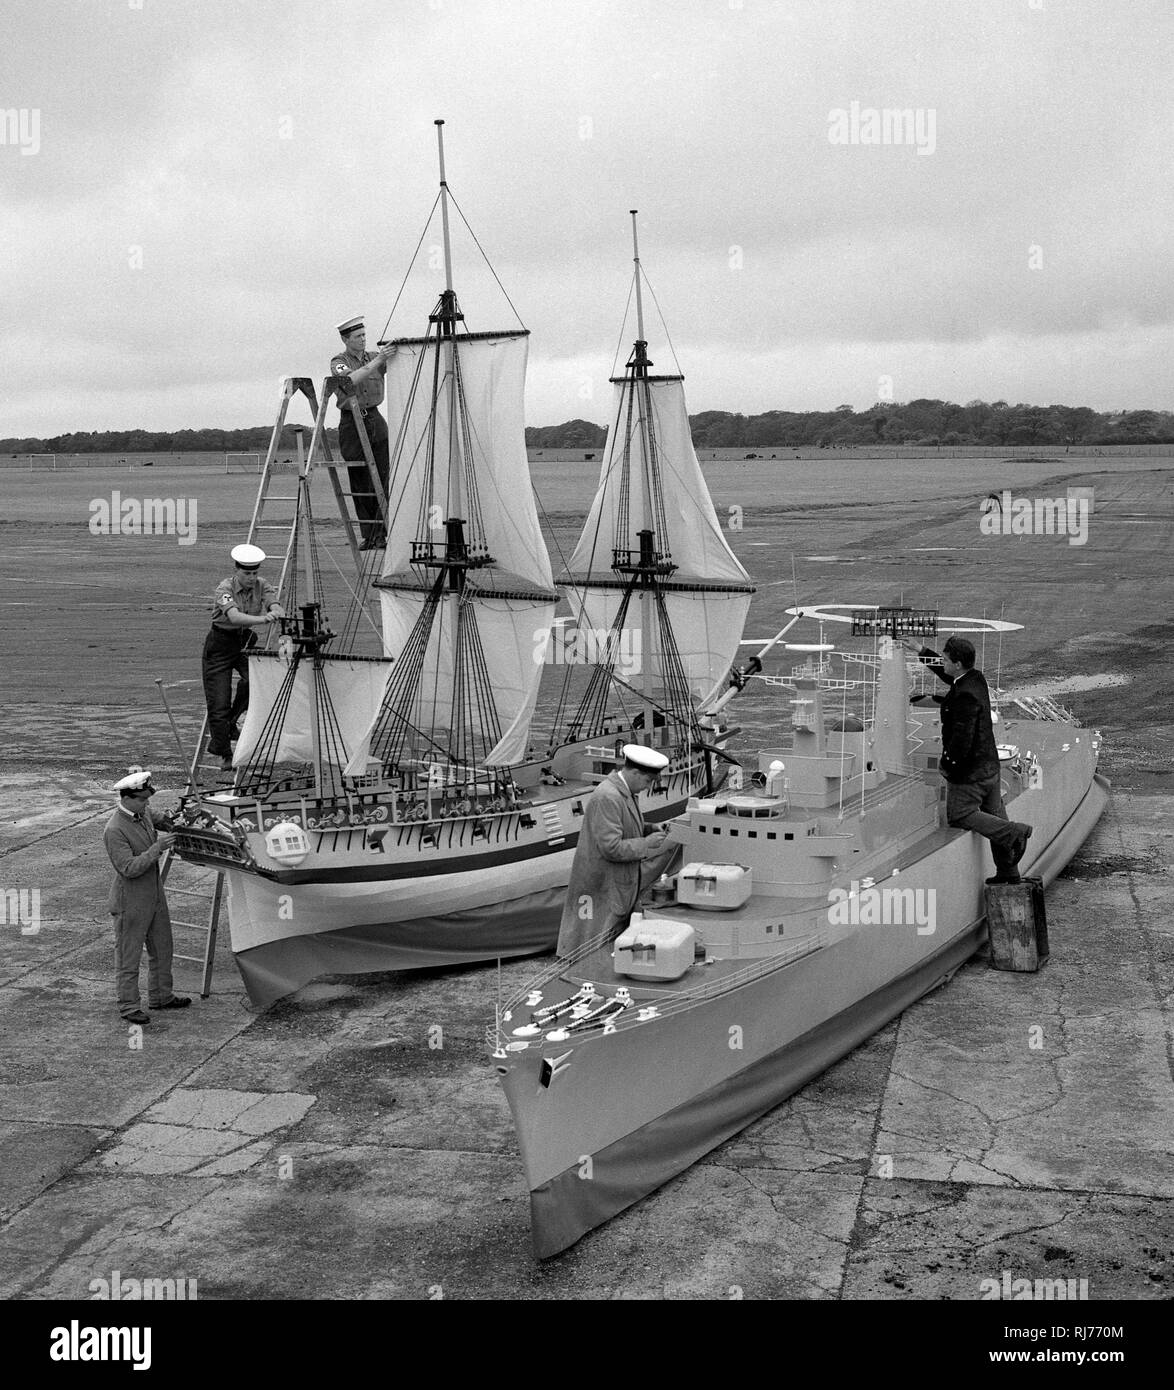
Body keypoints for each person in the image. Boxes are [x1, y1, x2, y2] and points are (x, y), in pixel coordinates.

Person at [902, 634, 1032, 883]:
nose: (943, 661)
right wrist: (920, 650)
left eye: (946, 658)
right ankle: (1008, 873)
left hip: (970, 773)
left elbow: (961, 740)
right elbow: (946, 673)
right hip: (990, 766)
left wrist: (948, 767)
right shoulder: (974, 678)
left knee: (960, 814)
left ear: (958, 663)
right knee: (994, 817)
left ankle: (1016, 833)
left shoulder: (963, 697)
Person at [556, 744, 681, 956]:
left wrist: (648, 828)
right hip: (603, 886)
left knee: (604, 941)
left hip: (615, 886)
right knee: (593, 944)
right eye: (648, 780)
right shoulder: (608, 796)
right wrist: (648, 842)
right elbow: (611, 848)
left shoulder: (624, 793)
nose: (647, 786)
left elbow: (622, 826)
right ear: (634, 772)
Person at [104, 770, 187, 1024]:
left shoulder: (143, 813)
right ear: (126, 798)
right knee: (129, 956)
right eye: (141, 799)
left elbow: (162, 819)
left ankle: (162, 996)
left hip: (153, 893)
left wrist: (180, 819)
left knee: (163, 948)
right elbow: (128, 868)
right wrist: (157, 849)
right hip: (130, 900)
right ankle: (129, 1006)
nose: (146, 803)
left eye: (147, 799)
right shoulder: (114, 829)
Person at [202, 544, 285, 771]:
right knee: (219, 701)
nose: (251, 578)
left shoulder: (262, 585)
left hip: (244, 641)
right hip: (220, 644)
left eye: (254, 573)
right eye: (247, 573)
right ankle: (223, 752)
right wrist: (264, 619)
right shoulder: (224, 588)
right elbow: (235, 616)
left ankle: (230, 724)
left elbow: (273, 602)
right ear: (237, 571)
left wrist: (277, 610)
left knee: (255, 681)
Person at [331, 315, 396, 549]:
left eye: (364, 335)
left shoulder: (373, 357)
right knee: (360, 478)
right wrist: (379, 360)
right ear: (346, 339)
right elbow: (348, 380)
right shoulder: (339, 360)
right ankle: (369, 535)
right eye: (358, 337)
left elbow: (399, 364)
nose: (362, 340)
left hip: (375, 418)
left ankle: (383, 533)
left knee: (382, 476)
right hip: (352, 422)